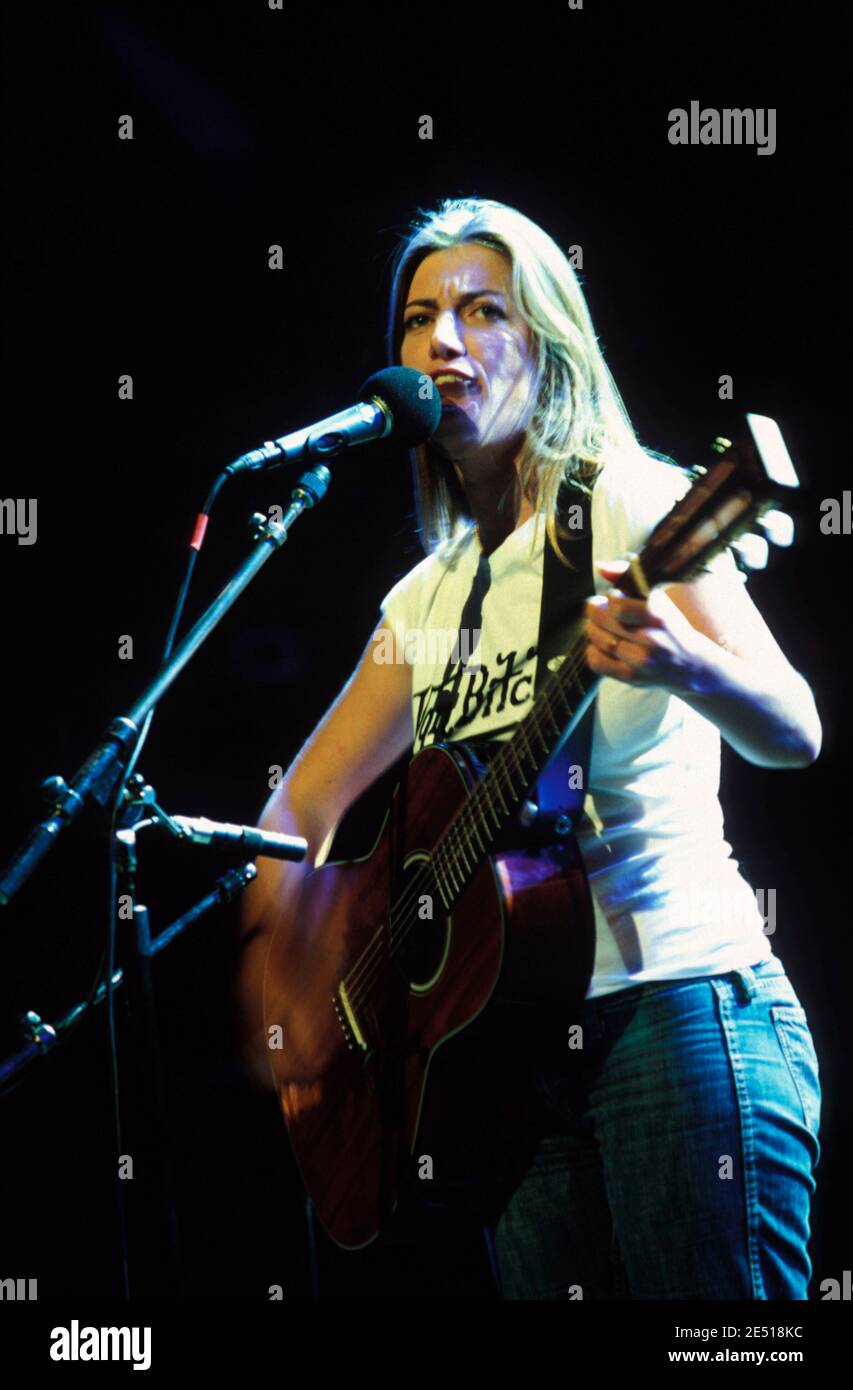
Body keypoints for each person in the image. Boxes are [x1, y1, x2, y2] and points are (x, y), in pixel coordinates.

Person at [236, 196, 823, 1300]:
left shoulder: (639, 501)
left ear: (548, 344)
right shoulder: (428, 593)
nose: (442, 341)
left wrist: (683, 666)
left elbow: (795, 727)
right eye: (418, 318)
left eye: (480, 310)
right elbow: (291, 819)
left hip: (675, 1008)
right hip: (498, 1060)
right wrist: (302, 970)